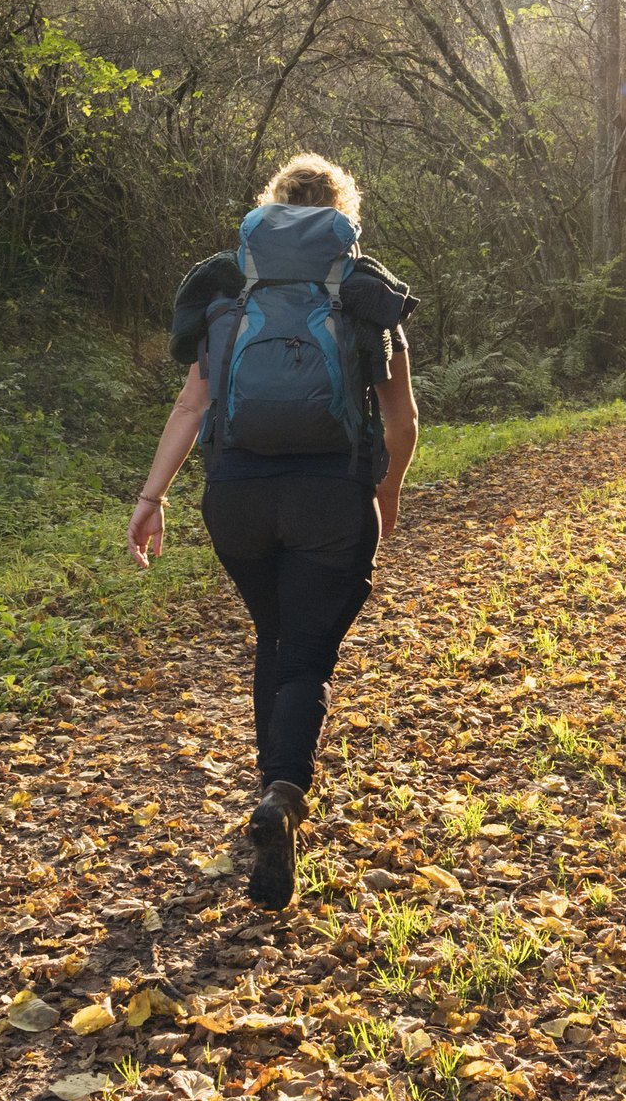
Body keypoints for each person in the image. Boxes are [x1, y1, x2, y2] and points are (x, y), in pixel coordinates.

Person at [126, 153, 419, 911]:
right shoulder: (363, 290)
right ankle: (284, 795)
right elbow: (402, 416)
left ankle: (268, 805)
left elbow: (191, 406)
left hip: (238, 500)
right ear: (342, 216)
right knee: (309, 654)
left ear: (269, 210)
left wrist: (150, 497)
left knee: (275, 638)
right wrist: (385, 494)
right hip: (330, 497)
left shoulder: (229, 289)